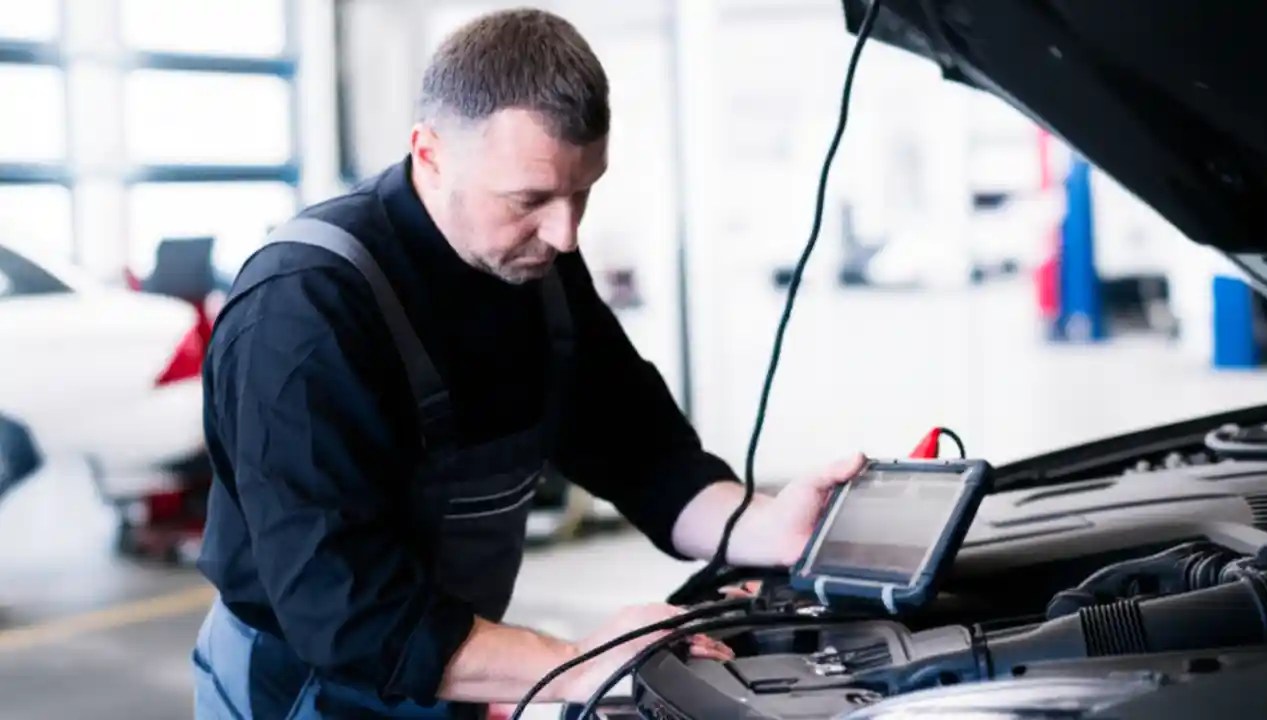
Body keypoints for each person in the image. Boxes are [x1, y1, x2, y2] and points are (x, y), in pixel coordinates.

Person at [192, 8, 866, 719]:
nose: (566, 233)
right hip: (307, 687)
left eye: (583, 191)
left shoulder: (535, 267)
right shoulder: (304, 312)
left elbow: (643, 455)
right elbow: (346, 612)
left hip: (453, 663)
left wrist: (768, 527)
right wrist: (575, 666)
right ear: (430, 152)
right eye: (531, 199)